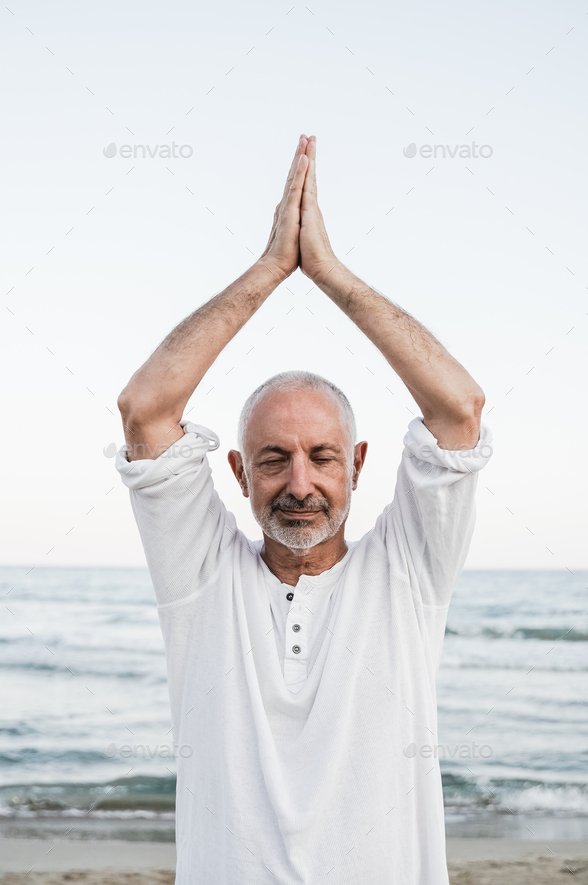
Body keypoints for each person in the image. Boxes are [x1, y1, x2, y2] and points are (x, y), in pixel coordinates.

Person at [115, 134, 492, 884]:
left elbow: (460, 408)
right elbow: (146, 410)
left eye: (322, 456)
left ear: (356, 465)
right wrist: (267, 272)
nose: (299, 483)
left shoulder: (406, 570)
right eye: (273, 458)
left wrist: (326, 272)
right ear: (237, 471)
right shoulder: (202, 575)